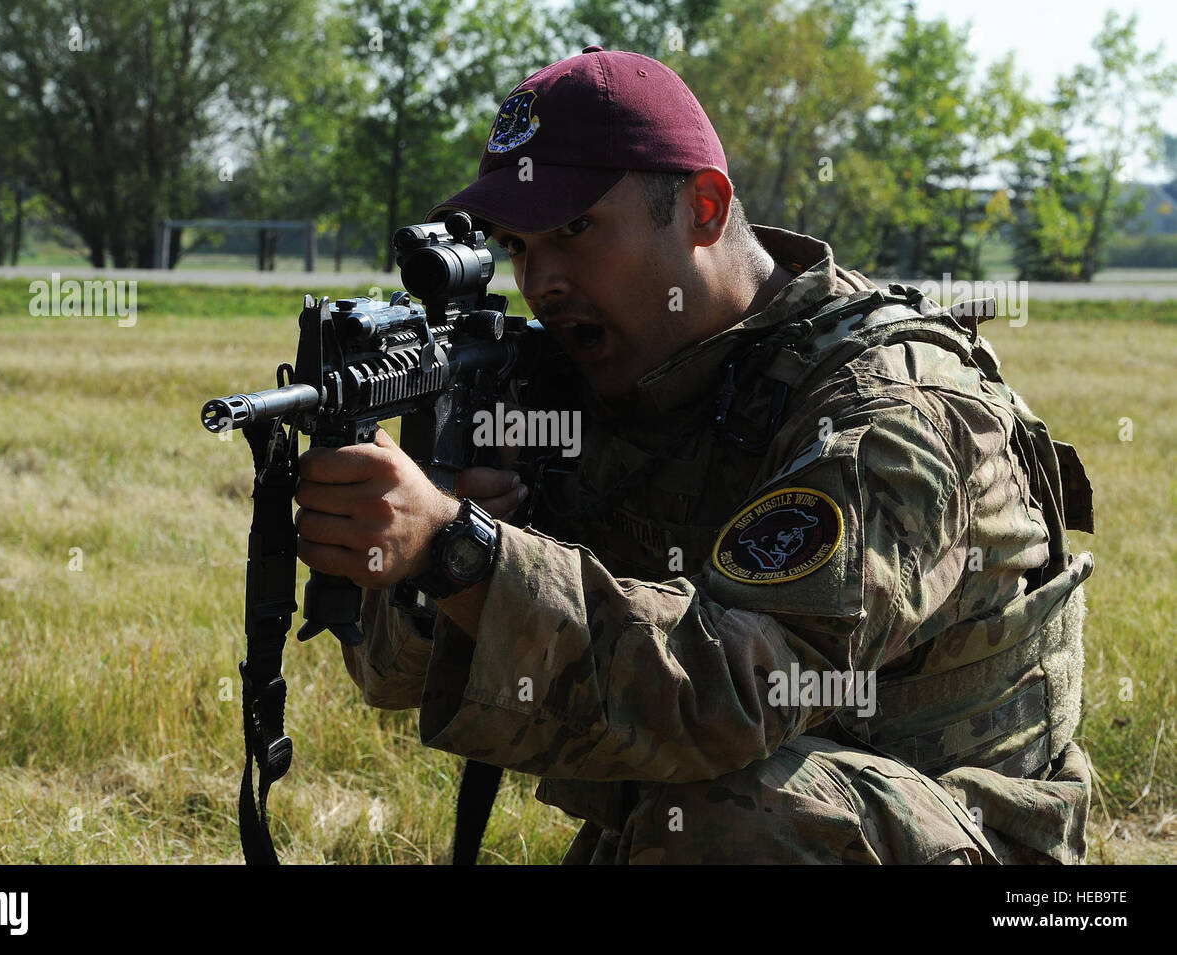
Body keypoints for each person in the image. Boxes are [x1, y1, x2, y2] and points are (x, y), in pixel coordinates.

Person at [292, 47, 1096, 864]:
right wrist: (434, 561)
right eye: (520, 245)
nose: (542, 280)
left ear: (705, 207)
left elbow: (734, 694)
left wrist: (460, 551)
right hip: (758, 801)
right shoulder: (623, 371)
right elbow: (391, 680)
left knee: (733, 818)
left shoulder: (883, 413)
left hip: (965, 827)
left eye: (575, 230)